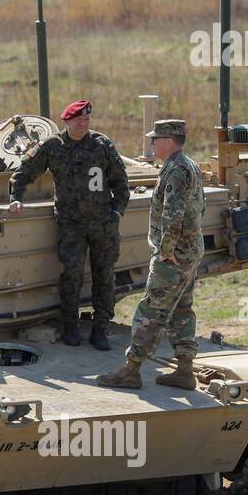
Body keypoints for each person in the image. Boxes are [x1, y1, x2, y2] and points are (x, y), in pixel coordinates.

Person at [8, 99, 130, 349]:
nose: (84, 124)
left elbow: (120, 180)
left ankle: (101, 328)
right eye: (79, 120)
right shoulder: (53, 146)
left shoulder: (102, 144)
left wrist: (117, 211)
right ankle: (71, 326)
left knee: (104, 275)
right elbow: (25, 171)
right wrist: (15, 198)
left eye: (87, 120)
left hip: (102, 222)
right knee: (71, 275)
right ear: (67, 121)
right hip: (71, 223)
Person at [98, 119, 205, 389]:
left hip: (175, 255)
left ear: (168, 141)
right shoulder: (188, 165)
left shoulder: (176, 170)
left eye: (155, 139)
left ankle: (131, 370)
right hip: (190, 252)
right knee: (182, 309)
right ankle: (184, 370)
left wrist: (166, 250)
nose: (152, 143)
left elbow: (173, 214)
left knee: (151, 309)